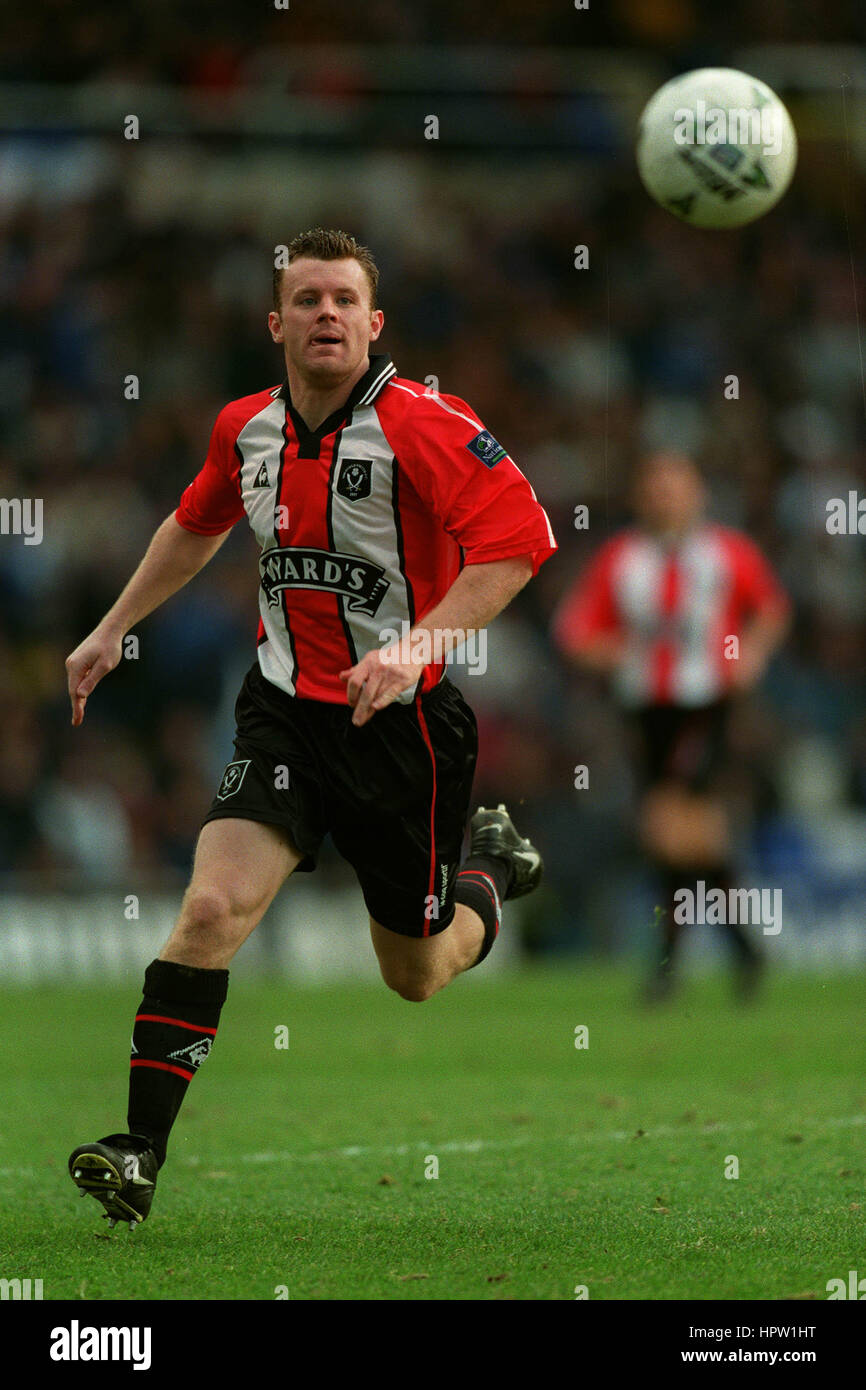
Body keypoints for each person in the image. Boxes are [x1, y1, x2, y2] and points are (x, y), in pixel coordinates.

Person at [64, 228, 557, 1227]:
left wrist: (417, 646)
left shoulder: (423, 424)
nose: (325, 314)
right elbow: (195, 522)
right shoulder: (243, 427)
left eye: (344, 300)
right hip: (284, 713)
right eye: (307, 299)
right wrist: (114, 627)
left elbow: (519, 543)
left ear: (373, 325)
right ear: (275, 321)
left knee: (413, 974)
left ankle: (490, 873)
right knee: (209, 913)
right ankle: (139, 1151)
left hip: (403, 732)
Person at [553, 450, 790, 1000]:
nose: (665, 495)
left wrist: (750, 653)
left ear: (698, 493)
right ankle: (743, 951)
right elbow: (574, 632)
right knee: (688, 834)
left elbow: (771, 609)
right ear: (640, 496)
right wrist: (609, 653)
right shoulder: (622, 558)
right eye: (655, 485)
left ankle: (670, 965)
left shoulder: (725, 553)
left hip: (706, 703)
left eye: (675, 485)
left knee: (668, 823)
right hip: (644, 711)